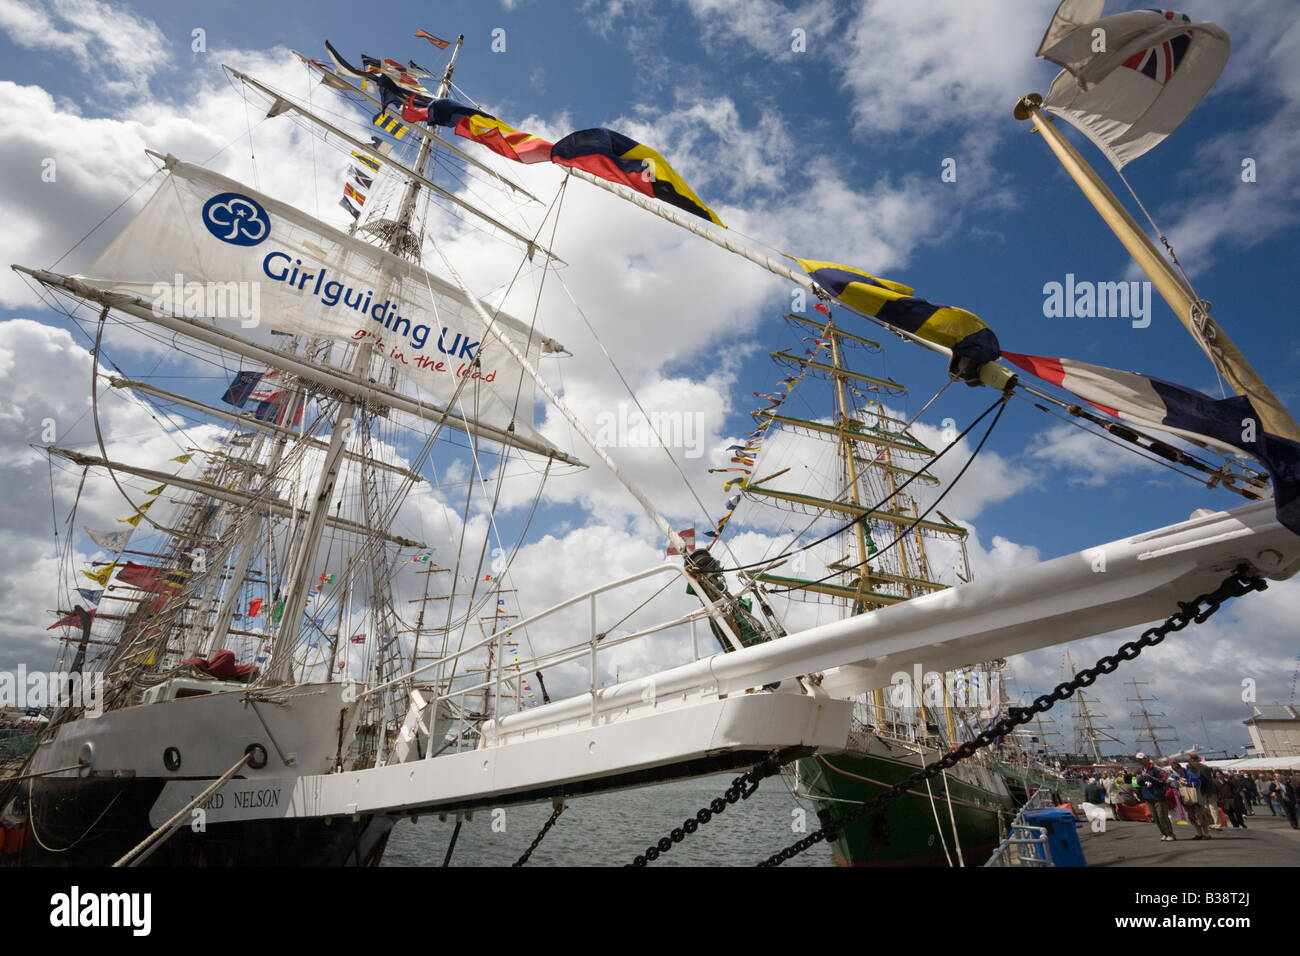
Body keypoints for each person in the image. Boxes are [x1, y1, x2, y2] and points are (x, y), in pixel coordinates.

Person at [1138, 753, 1176, 841]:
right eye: (1139, 760)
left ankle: (1170, 833)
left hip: (1158, 795)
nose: (1140, 761)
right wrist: (1139, 780)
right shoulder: (1140, 771)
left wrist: (1150, 777)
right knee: (1155, 817)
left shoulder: (1155, 769)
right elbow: (1139, 783)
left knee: (1162, 815)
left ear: (1146, 759)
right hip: (1148, 796)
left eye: (1142, 759)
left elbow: (1163, 780)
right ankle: (1163, 833)